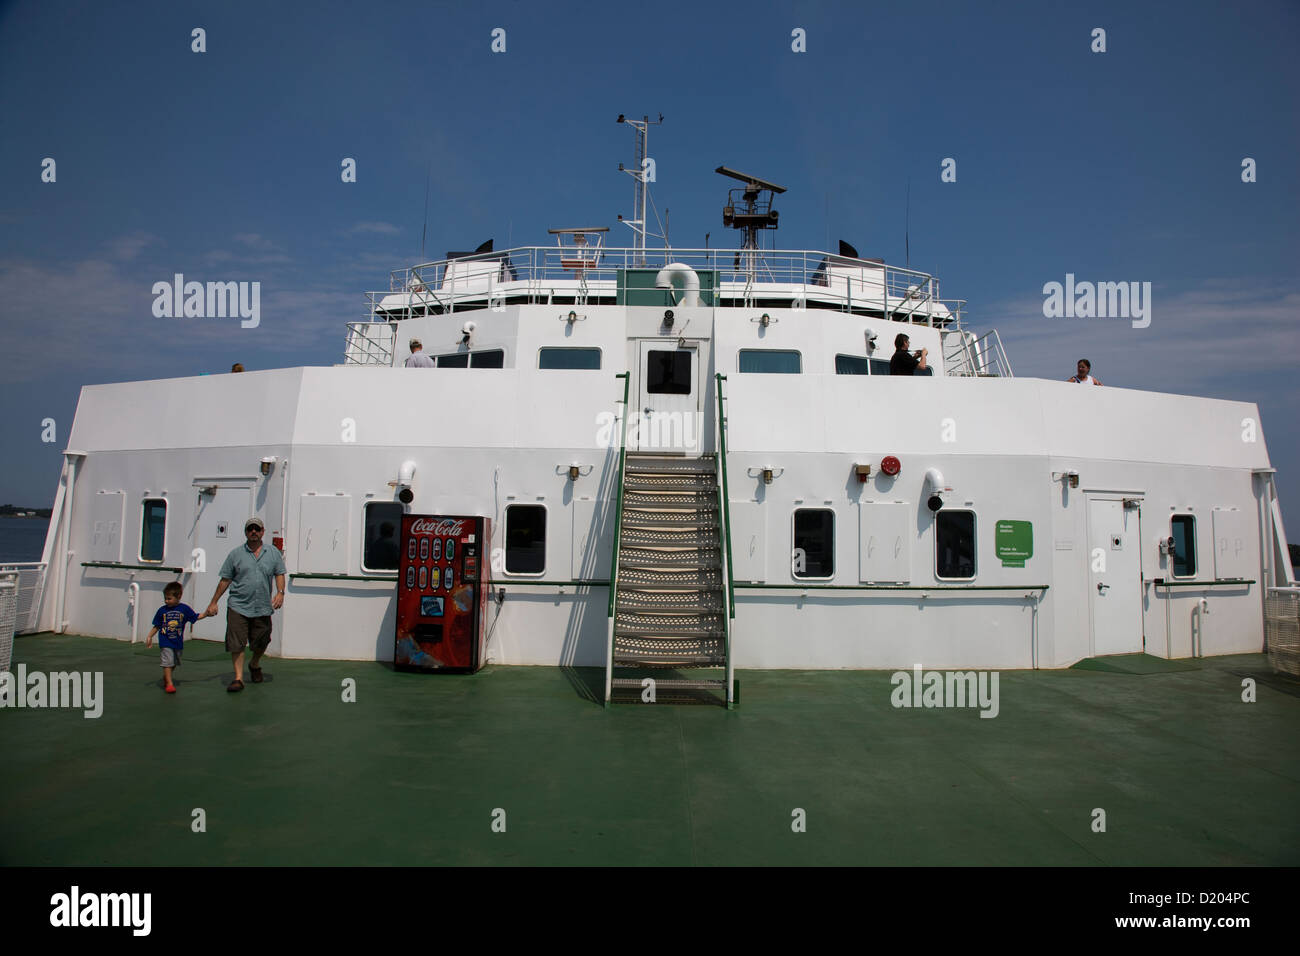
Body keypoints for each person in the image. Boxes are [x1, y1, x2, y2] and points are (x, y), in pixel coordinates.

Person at [206, 517, 286, 692]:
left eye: (257, 529)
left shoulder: (273, 553)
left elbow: (279, 573)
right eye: (250, 529)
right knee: (237, 643)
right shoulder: (235, 555)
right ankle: (238, 678)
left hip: (263, 606)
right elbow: (225, 579)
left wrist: (280, 593)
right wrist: (213, 602)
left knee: (262, 641)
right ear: (246, 532)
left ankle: (254, 663)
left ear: (263, 531)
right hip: (238, 605)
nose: (254, 532)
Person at [145, 581, 213, 693]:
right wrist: (149, 636)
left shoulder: (184, 609)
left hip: (177, 642)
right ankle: (170, 684)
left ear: (179, 596)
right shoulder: (162, 611)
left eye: (169, 598)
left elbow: (195, 617)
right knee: (168, 661)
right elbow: (157, 625)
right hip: (165, 641)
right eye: (165, 599)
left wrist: (206, 614)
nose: (166, 601)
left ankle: (167, 677)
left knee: (174, 662)